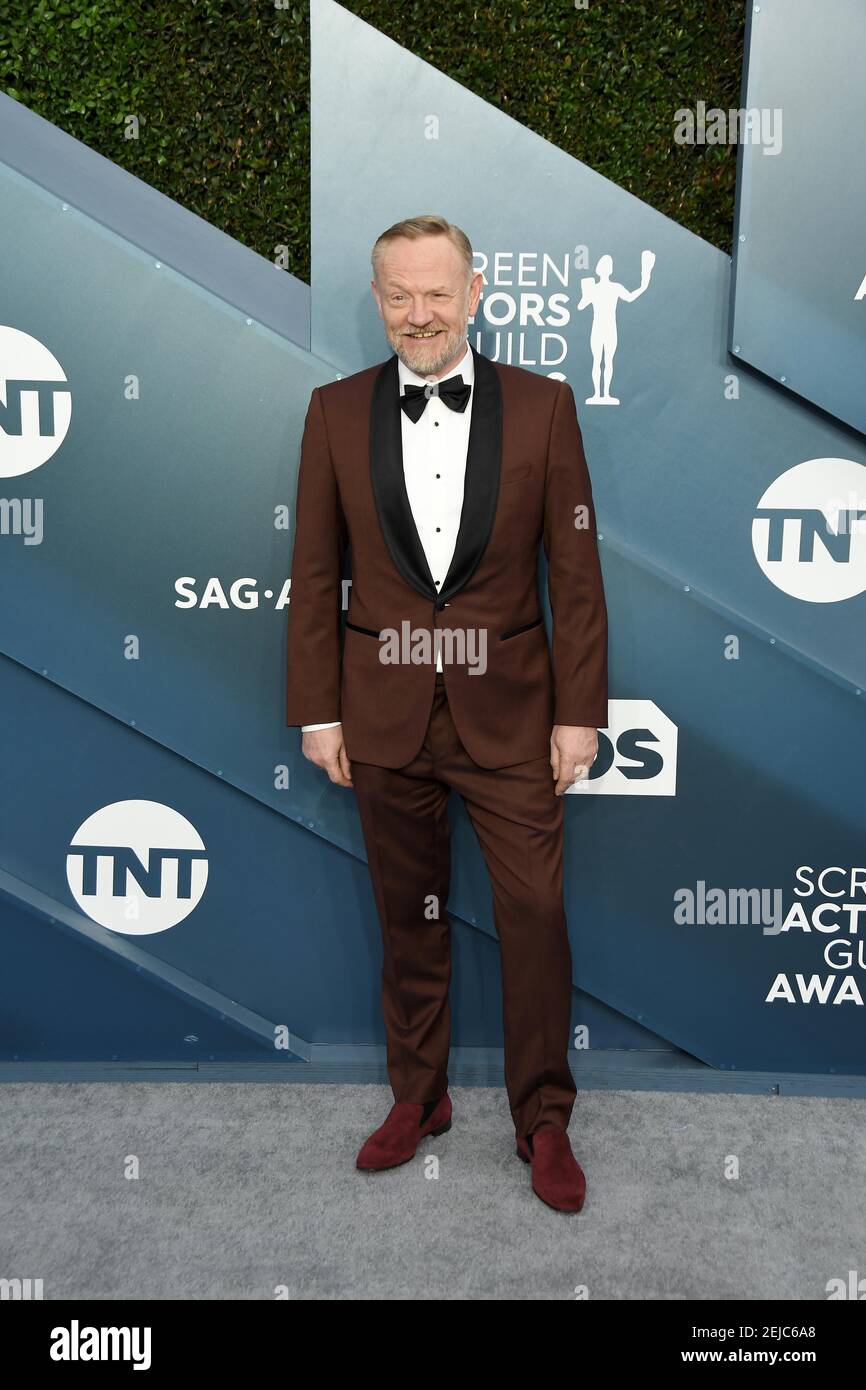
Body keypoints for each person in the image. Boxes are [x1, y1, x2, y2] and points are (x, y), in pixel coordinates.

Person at [285, 214, 608, 1213]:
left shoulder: (545, 408)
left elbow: (575, 575)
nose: (418, 315)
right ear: (376, 299)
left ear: (475, 292)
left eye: (437, 293)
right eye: (399, 295)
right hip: (381, 716)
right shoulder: (333, 411)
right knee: (406, 917)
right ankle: (416, 1098)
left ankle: (541, 1116)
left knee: (535, 916)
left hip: (511, 714)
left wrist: (578, 713)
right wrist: (317, 712)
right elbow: (312, 575)